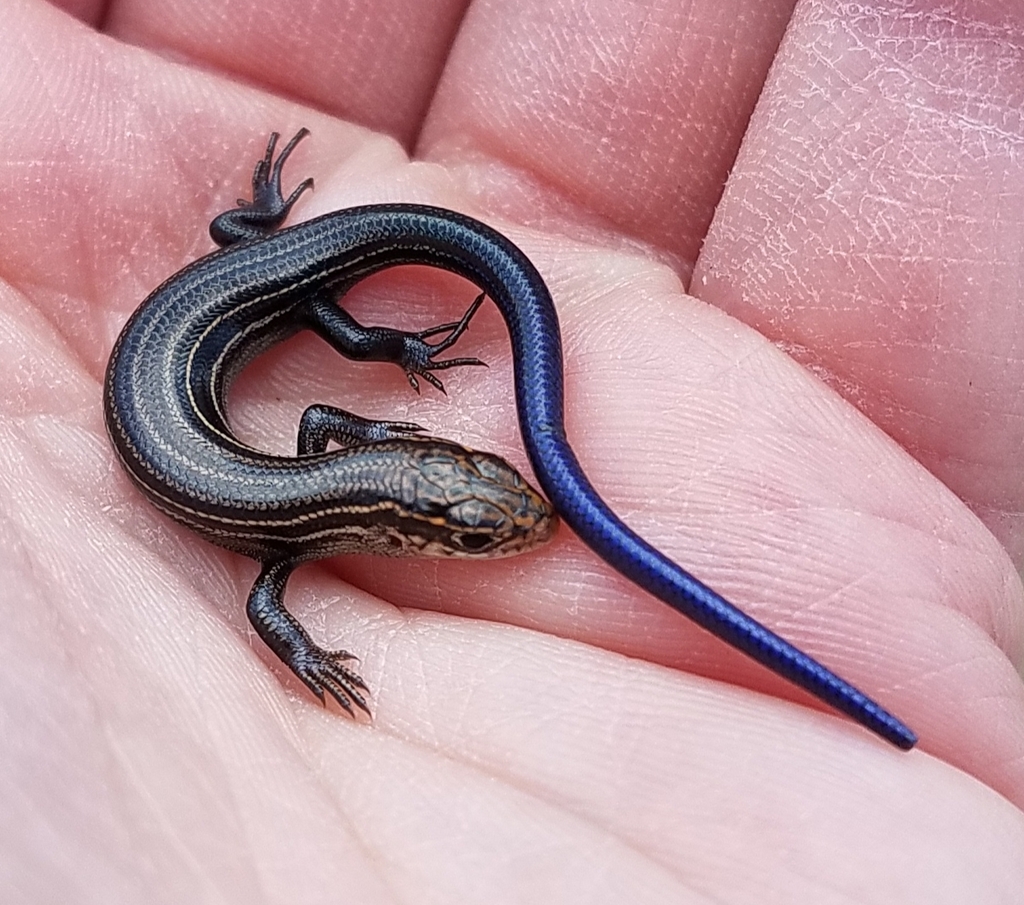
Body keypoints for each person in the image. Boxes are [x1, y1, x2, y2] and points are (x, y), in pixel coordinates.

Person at [1, 0, 1021, 900]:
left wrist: (368, 352)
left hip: (231, 304)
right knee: (307, 304)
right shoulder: (293, 518)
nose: (505, 517)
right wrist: (305, 651)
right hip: (230, 306)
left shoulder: (295, 522)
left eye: (473, 504)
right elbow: (271, 583)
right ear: (400, 526)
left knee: (300, 294)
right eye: (475, 523)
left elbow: (296, 517)